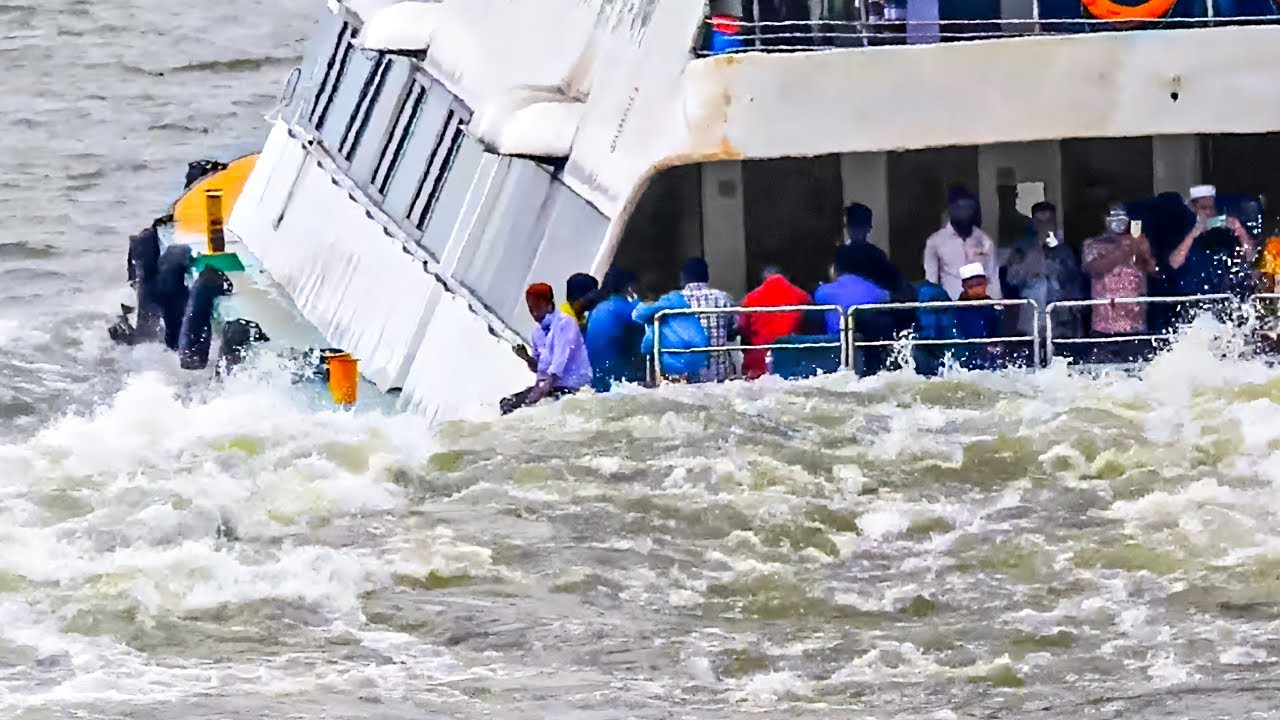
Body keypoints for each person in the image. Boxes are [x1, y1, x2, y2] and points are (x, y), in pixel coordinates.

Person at [501, 283, 593, 415]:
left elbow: (557, 368)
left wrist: (537, 394)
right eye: (530, 308)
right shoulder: (537, 333)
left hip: (571, 387)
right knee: (506, 403)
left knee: (519, 410)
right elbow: (538, 368)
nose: (533, 312)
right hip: (552, 388)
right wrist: (526, 357)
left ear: (548, 304)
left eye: (536, 307)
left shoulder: (565, 323)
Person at [1003, 201, 1082, 340]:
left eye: (1049, 220)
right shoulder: (1021, 248)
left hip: (1060, 315)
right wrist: (1031, 259)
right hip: (1032, 314)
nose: (1044, 225)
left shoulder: (1065, 250)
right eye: (1040, 221)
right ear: (1033, 222)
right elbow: (1012, 279)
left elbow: (1074, 278)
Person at [1082, 205, 1158, 342]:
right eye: (1114, 216)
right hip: (1104, 326)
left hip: (1135, 324)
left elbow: (1152, 271)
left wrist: (1143, 253)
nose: (1119, 221)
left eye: (1122, 217)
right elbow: (1097, 268)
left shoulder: (1139, 241)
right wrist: (1124, 249)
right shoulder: (1093, 244)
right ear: (1105, 219)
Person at [1168, 184, 1255, 297]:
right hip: (1191, 297)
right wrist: (1193, 235)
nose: (1209, 213)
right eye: (1204, 208)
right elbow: (1174, 264)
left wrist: (1241, 232)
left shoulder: (1225, 234)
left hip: (1223, 295)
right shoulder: (1181, 231)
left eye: (1212, 208)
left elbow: (1251, 259)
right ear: (1192, 208)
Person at [924, 187, 1002, 301]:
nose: (965, 212)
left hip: (981, 306)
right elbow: (932, 282)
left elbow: (993, 276)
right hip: (951, 307)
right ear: (950, 208)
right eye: (960, 207)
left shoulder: (985, 240)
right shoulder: (935, 241)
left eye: (969, 207)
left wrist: (997, 306)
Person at [738, 265, 812, 379]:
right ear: (786, 277)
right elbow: (811, 326)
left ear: (762, 279)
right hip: (793, 360)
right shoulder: (802, 296)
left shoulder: (750, 298)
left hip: (758, 363)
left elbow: (743, 330)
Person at [632, 282, 712, 382]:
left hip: (676, 362)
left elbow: (638, 315)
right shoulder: (682, 305)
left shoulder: (660, 309)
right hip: (700, 357)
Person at [584, 268, 645, 392]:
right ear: (630, 288)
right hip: (619, 377)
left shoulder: (596, 309)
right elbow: (645, 327)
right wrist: (637, 299)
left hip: (596, 377)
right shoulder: (628, 308)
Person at [678, 257, 736, 382]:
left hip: (687, 373)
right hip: (721, 372)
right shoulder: (723, 299)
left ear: (683, 277)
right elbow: (732, 333)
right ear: (707, 276)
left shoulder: (675, 301)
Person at [842, 203, 910, 299]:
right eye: (851, 226)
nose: (854, 231)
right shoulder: (840, 254)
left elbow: (892, 284)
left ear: (868, 228)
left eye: (859, 226)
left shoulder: (877, 255)